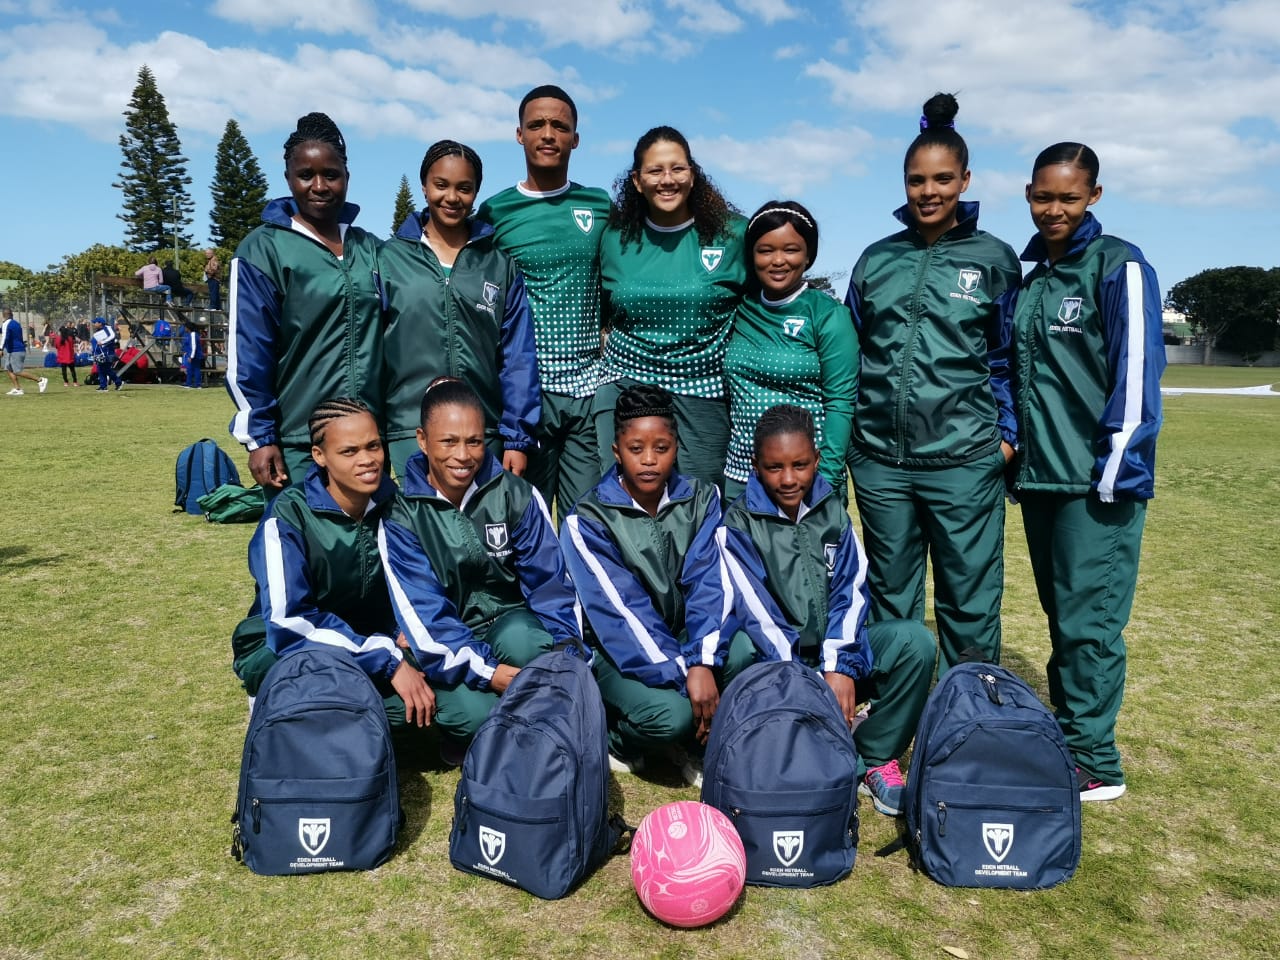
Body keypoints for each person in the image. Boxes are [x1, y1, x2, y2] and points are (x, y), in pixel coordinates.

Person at [1007, 142, 1165, 802]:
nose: (1055, 209)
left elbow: (1135, 375)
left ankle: (1094, 760)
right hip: (1043, 477)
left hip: (1095, 483)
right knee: (1062, 616)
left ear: (1094, 195)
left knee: (1090, 624)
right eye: (1044, 196)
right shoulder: (1033, 274)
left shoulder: (1119, 265)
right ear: (1028, 193)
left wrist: (1115, 468)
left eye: (1069, 197)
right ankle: (1072, 738)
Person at [844, 93, 1021, 671]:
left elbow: (1009, 359)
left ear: (965, 179)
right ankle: (894, 711)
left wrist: (1005, 439)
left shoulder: (994, 259)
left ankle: (967, 712)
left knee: (968, 598)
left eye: (943, 179)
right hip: (880, 462)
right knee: (890, 597)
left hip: (963, 459)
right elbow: (852, 353)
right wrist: (855, 445)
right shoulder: (876, 260)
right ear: (903, 183)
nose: (929, 192)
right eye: (917, 180)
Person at [719, 405, 935, 816]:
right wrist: (815, 682)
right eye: (774, 467)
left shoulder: (832, 509)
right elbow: (757, 615)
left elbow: (852, 591)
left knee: (915, 643)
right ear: (755, 465)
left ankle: (875, 756)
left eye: (800, 465)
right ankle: (828, 755)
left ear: (817, 461)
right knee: (742, 649)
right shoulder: (738, 524)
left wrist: (838, 665)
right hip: (780, 661)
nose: (788, 479)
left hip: (832, 651)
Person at [561, 385, 754, 786]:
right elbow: (622, 617)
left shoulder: (703, 498)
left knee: (744, 651)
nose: (649, 460)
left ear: (677, 447)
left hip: (685, 639)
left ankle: (703, 740)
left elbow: (711, 584)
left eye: (661, 447)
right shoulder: (589, 519)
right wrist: (691, 674)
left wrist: (702, 660)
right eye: (636, 449)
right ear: (616, 450)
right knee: (670, 717)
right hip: (619, 653)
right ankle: (621, 740)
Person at [378, 378, 581, 759]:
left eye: (474, 440)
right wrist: (489, 673)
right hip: (448, 644)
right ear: (422, 440)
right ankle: (462, 734)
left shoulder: (516, 494)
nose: (463, 455)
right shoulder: (401, 512)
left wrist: (566, 657)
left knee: (529, 642)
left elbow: (552, 586)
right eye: (448, 441)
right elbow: (427, 617)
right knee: (475, 716)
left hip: (508, 624)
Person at [231, 397, 435, 728]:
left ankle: (333, 715)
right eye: (349, 451)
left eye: (374, 446)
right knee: (320, 693)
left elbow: (408, 586)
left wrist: (402, 632)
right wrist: (390, 663)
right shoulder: (288, 515)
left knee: (437, 701)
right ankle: (275, 700)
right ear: (319, 456)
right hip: (284, 642)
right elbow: (289, 622)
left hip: (369, 636)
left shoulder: (395, 505)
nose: (368, 460)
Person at [227, 112, 385, 493]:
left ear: (346, 176)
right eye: (306, 175)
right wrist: (260, 438)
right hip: (302, 442)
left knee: (371, 548)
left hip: (367, 443)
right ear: (288, 178)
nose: (319, 186)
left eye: (331, 174)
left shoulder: (372, 249)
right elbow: (248, 350)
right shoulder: (264, 249)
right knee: (302, 546)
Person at [476, 85, 613, 520]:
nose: (548, 134)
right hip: (525, 398)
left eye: (560, 126)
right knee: (525, 522)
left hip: (587, 393)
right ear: (519, 135)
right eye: (537, 125)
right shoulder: (495, 212)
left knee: (588, 523)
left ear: (575, 138)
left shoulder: (599, 205)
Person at [597, 126, 746, 490]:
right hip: (624, 386)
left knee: (699, 506)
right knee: (620, 504)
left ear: (692, 174)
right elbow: (601, 313)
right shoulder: (614, 239)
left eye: (677, 169)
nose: (667, 180)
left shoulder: (734, 235)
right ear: (636, 180)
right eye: (655, 170)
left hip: (703, 393)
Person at [380, 140, 539, 481]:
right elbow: (370, 353)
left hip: (484, 432)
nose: (452, 197)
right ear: (424, 186)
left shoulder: (498, 264)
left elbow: (517, 358)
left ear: (476, 192)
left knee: (481, 532)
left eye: (464, 188)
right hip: (409, 432)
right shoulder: (388, 260)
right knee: (419, 530)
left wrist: (517, 437)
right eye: (441, 185)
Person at [722, 201, 856, 502]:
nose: (778, 260)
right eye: (766, 250)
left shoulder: (827, 314)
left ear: (808, 254)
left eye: (791, 250)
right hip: (741, 476)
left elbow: (841, 402)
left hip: (802, 481)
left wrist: (827, 479)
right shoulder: (741, 308)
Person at [2, 308, 48, 395]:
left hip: (16, 350)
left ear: (3, 315)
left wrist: (1, 349)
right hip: (13, 350)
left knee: (17, 371)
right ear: (12, 315)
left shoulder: (7, 324)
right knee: (8, 369)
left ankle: (40, 380)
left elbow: (5, 337)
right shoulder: (15, 324)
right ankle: (18, 389)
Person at [90, 317, 123, 391]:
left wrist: (103, 342)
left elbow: (112, 336)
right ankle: (103, 386)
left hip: (107, 353)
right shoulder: (98, 331)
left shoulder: (107, 328)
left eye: (95, 322)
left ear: (100, 323)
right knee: (101, 369)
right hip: (99, 354)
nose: (94, 324)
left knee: (106, 369)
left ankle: (118, 382)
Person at [182, 319, 204, 389]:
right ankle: (192, 384)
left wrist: (191, 356)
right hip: (192, 354)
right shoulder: (191, 334)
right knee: (191, 369)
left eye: (185, 327)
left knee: (194, 369)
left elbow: (193, 346)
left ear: (188, 328)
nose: (184, 328)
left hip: (194, 355)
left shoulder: (193, 334)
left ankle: (195, 384)